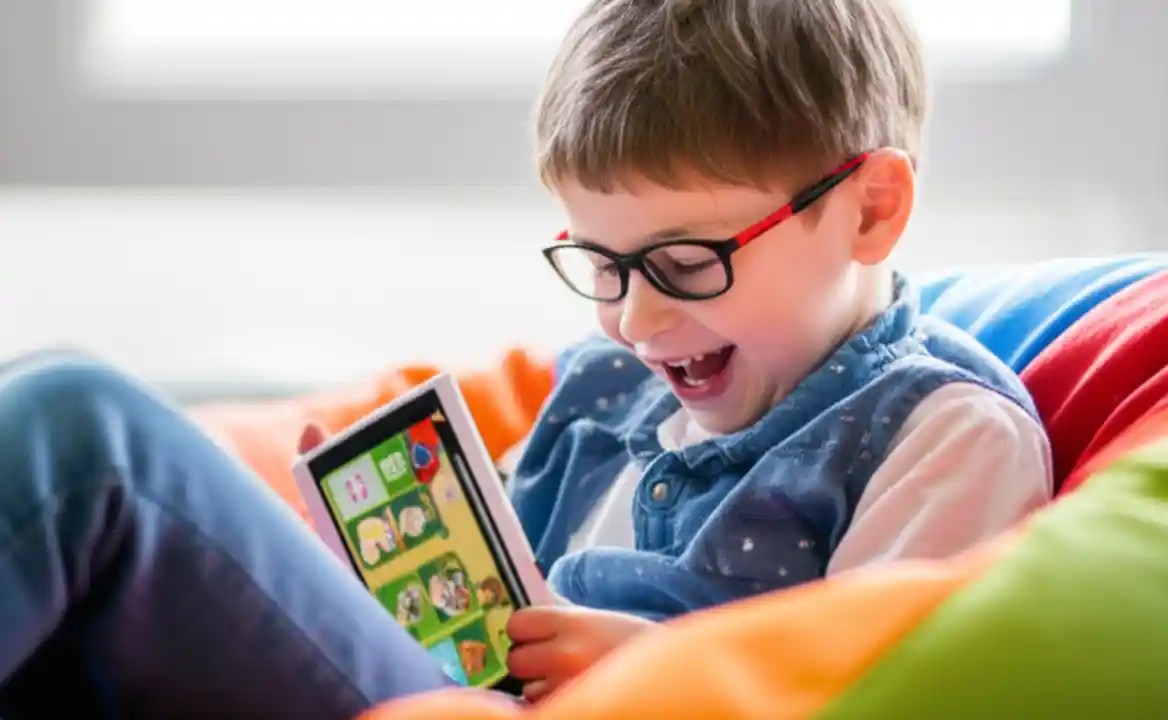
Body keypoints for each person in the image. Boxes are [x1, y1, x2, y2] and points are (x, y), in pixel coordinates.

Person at [0, 0, 1051, 716]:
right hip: (447, 692)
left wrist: (659, 674)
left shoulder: (936, 431)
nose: (632, 322)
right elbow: (488, 607)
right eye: (600, 263)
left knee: (81, 438)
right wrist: (359, 566)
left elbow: (883, 696)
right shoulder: (608, 391)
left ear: (869, 209)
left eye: (685, 262)